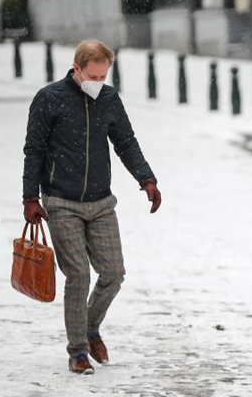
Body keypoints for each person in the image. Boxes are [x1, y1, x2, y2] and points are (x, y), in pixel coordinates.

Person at [21, 40, 162, 375]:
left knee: (113, 273)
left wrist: (147, 179)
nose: (98, 82)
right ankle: (78, 351)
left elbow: (126, 142)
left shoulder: (109, 99)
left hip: (100, 202)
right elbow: (34, 149)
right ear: (77, 68)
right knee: (79, 275)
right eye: (93, 76)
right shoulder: (49, 98)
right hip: (60, 201)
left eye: (103, 76)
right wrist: (30, 198)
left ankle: (89, 327)